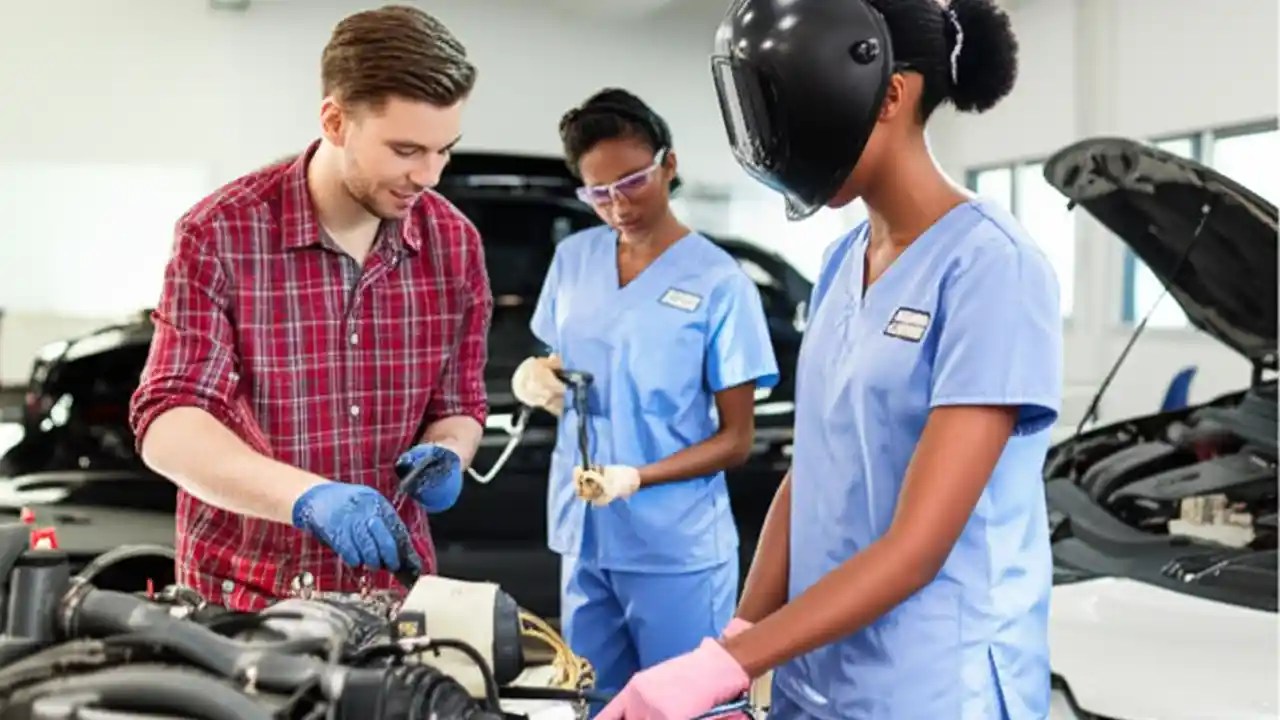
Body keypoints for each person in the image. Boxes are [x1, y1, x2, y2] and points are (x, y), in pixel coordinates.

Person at [599, 0, 1064, 718]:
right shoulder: (843, 259)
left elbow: (917, 548)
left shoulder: (991, 267)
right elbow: (811, 471)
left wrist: (729, 663)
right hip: (814, 673)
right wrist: (741, 637)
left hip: (933, 685)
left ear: (892, 94)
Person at [128, 5, 493, 612]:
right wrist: (307, 497)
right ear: (335, 119)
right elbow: (169, 424)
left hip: (393, 599)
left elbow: (458, 405)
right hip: (241, 602)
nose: (428, 175)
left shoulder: (455, 247)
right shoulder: (220, 232)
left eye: (444, 151)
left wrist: (450, 450)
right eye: (406, 149)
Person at [510, 88, 780, 708]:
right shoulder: (573, 260)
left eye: (632, 182)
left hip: (675, 545)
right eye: (597, 192)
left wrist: (638, 476)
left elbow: (737, 441)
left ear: (669, 164)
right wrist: (538, 374)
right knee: (594, 700)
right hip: (586, 532)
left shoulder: (718, 282)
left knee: (686, 705)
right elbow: (571, 357)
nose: (617, 205)